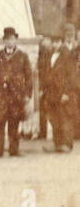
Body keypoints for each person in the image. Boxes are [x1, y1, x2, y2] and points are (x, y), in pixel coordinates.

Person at [0, 27, 33, 158]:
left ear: (16, 40)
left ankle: (14, 150)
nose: (9, 42)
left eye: (11, 39)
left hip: (16, 96)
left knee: (14, 123)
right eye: (6, 39)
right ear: (4, 41)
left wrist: (28, 95)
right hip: (0, 96)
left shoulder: (23, 56)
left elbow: (29, 76)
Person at [42, 24, 77, 153]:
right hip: (52, 93)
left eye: (58, 42)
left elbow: (72, 76)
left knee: (65, 118)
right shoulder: (50, 55)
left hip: (64, 93)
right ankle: (57, 143)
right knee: (54, 118)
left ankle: (67, 144)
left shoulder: (67, 56)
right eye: (54, 42)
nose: (56, 45)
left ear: (62, 43)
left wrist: (67, 93)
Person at [36, 37, 54, 142]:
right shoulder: (43, 55)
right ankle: (43, 132)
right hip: (44, 85)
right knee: (44, 110)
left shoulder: (46, 55)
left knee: (48, 110)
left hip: (47, 86)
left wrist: (43, 88)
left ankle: (45, 133)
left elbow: (46, 72)